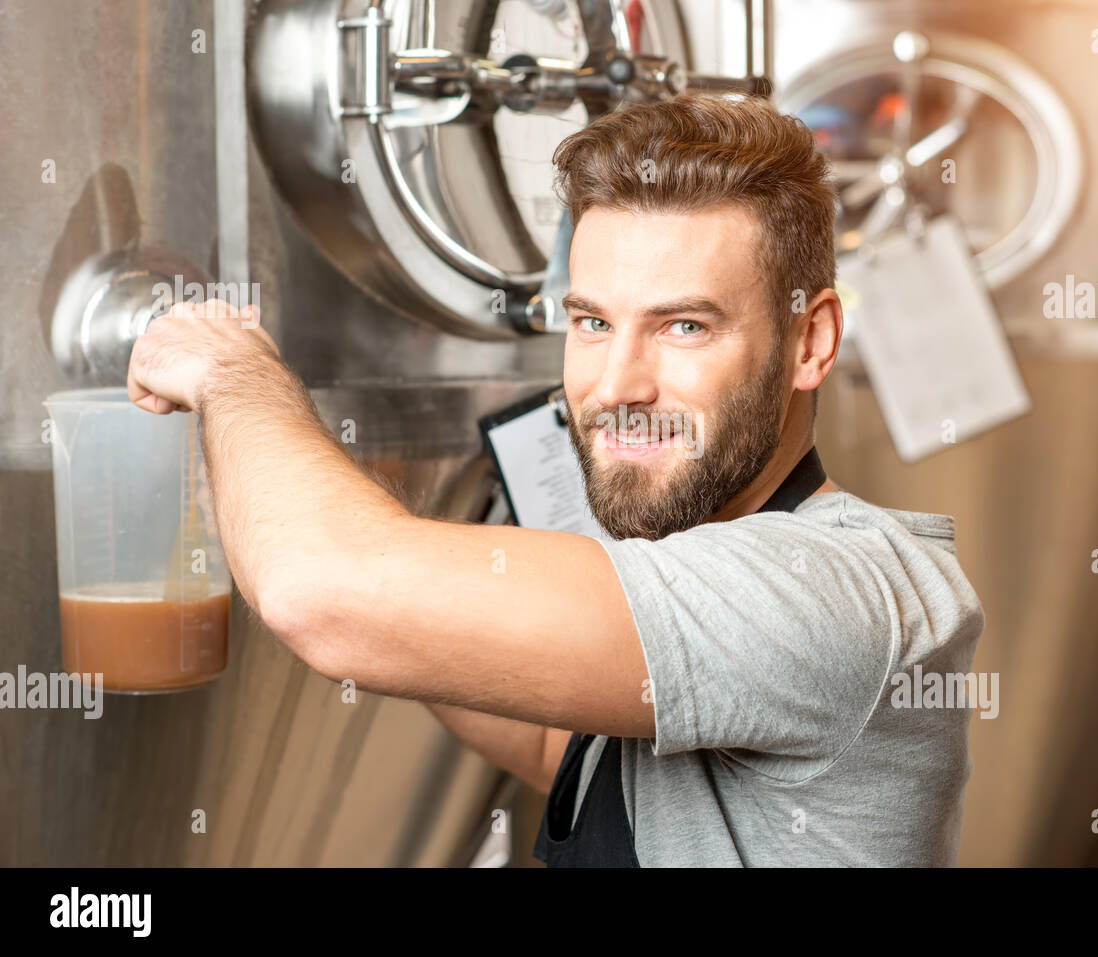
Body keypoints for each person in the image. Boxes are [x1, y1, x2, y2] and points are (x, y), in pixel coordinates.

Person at [126, 92, 984, 867]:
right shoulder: (702, 596)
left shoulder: (835, 591)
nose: (615, 386)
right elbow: (557, 742)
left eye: (684, 325)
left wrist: (231, 370)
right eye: (593, 322)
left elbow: (319, 592)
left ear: (811, 341)